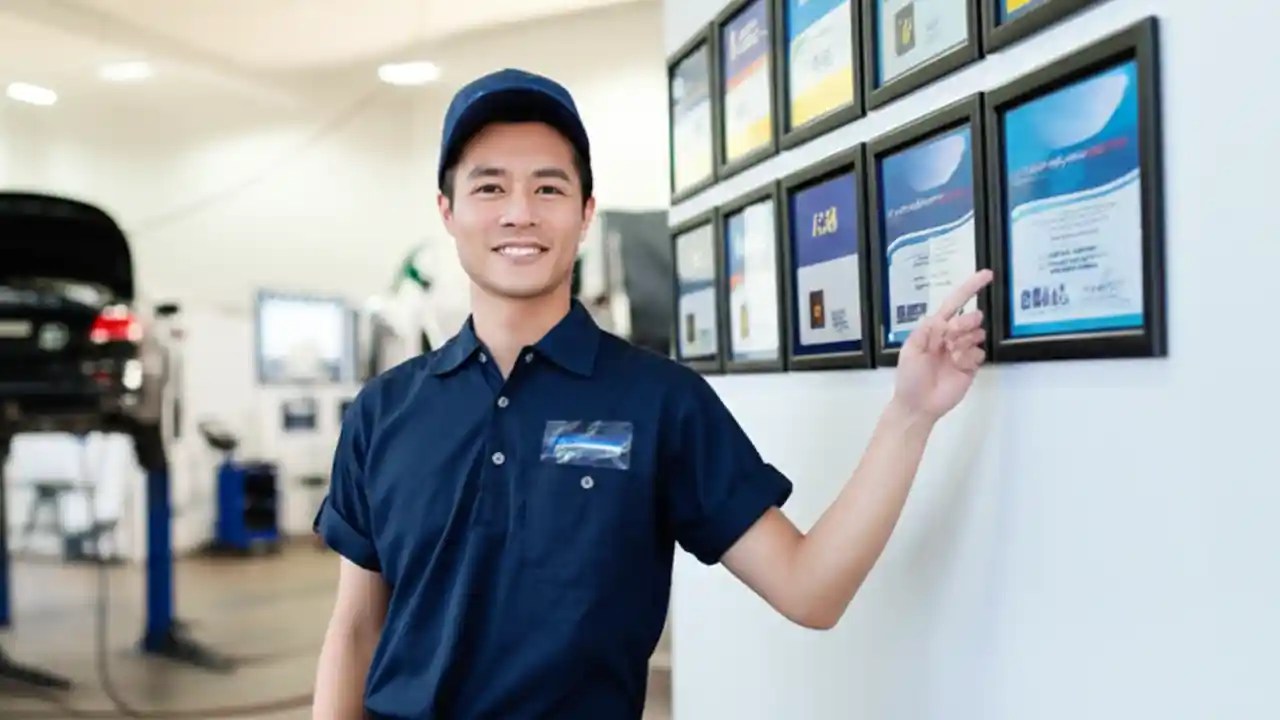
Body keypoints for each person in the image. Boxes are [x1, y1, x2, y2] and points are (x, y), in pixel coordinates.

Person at [311, 68, 993, 720]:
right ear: (448, 212)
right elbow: (355, 630)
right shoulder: (384, 410)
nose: (519, 213)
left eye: (548, 189)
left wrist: (911, 414)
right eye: (489, 188)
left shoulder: (660, 402)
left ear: (585, 215)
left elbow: (810, 589)